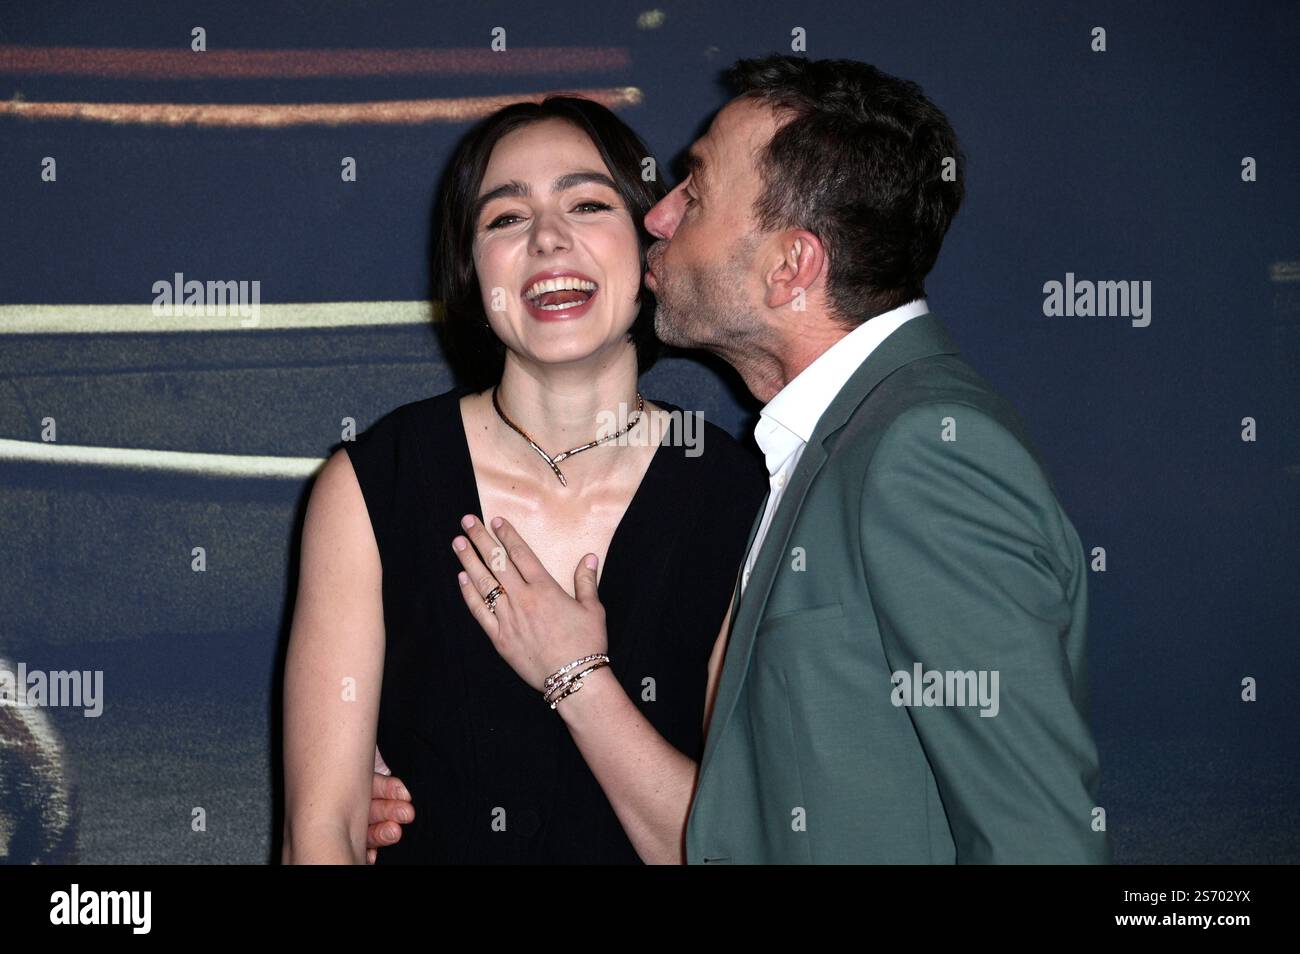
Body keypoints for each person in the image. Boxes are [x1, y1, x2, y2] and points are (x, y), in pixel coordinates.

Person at [371, 55, 1110, 864]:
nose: (660, 216)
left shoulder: (921, 458)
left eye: (696, 189)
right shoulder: (828, 450)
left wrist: (575, 674)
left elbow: (1040, 840)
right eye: (503, 218)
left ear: (791, 266)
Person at [281, 95, 768, 863]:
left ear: (652, 247)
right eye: (505, 218)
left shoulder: (737, 495)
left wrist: (575, 676)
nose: (548, 238)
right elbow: (322, 835)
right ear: (471, 272)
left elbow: (734, 848)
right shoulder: (375, 485)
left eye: (587, 203)